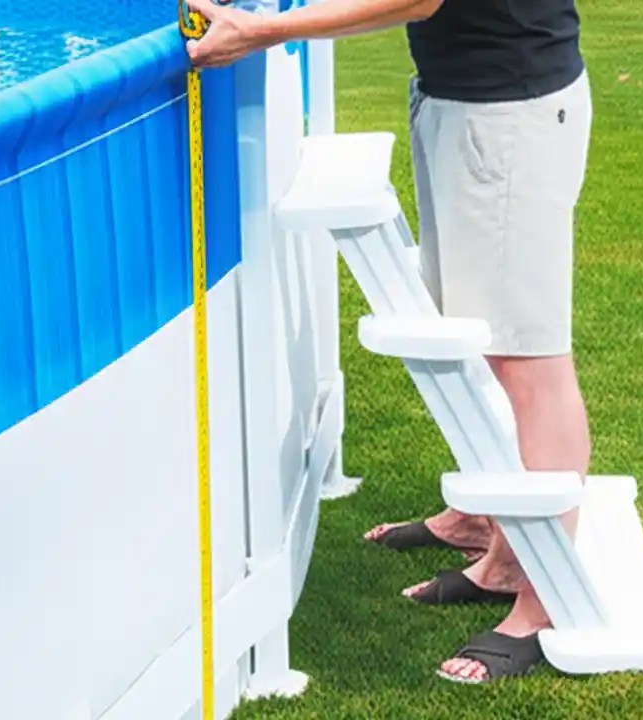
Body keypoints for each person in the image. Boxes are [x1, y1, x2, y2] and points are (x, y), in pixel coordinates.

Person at [185, 0, 594, 684]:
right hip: (468, 96)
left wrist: (265, 30)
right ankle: (488, 534)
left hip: (508, 110)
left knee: (528, 359)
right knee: (481, 340)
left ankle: (545, 599)